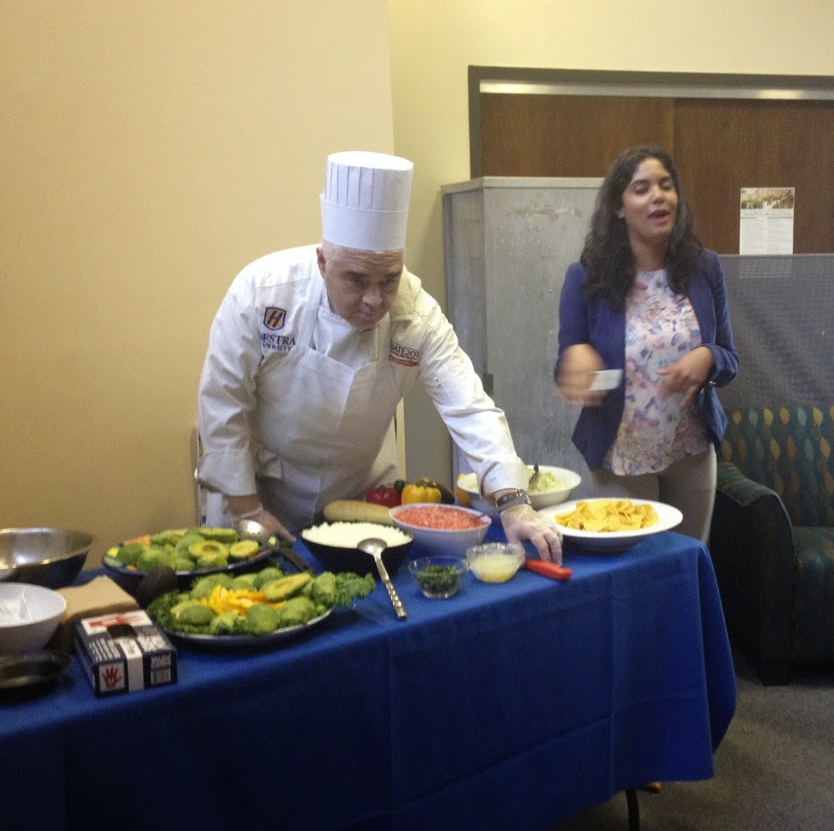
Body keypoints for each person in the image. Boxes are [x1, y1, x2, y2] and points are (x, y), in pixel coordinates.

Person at [197, 151, 562, 562]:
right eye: (356, 279)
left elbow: (469, 405)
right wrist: (247, 508)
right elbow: (222, 403)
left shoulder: (415, 312)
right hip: (256, 493)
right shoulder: (261, 294)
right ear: (322, 261)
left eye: (389, 280)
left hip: (355, 501)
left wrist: (514, 503)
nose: (375, 300)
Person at [556, 145, 738, 543]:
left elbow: (730, 357)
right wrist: (577, 361)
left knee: (686, 565)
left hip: (690, 453)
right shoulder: (585, 278)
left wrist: (708, 357)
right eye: (641, 188)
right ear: (618, 207)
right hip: (620, 458)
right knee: (634, 577)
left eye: (665, 185)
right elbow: (566, 364)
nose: (658, 195)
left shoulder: (705, 269)